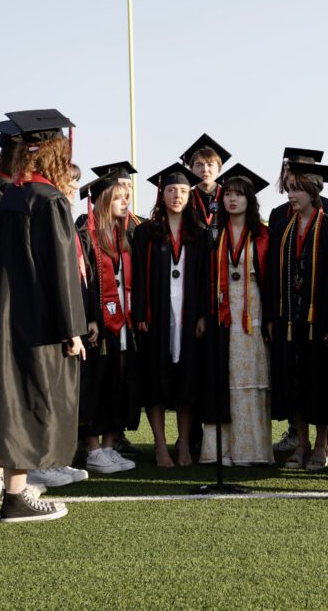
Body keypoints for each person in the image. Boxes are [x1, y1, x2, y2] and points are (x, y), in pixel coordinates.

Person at [0, 109, 85, 522]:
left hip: (7, 318)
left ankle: (16, 490)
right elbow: (61, 271)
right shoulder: (49, 201)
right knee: (33, 403)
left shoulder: (8, 198)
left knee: (16, 404)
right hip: (39, 323)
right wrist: (73, 329)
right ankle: (15, 498)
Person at [265, 161, 328, 471]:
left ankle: (322, 444)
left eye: (297, 189)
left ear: (313, 192)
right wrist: (272, 316)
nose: (291, 194)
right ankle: (301, 443)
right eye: (289, 188)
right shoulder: (282, 229)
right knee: (294, 381)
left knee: (320, 382)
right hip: (289, 320)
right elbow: (272, 277)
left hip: (319, 322)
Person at [133, 163, 209, 468]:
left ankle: (183, 443)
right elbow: (138, 275)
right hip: (157, 317)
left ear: (190, 196)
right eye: (171, 190)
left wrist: (202, 314)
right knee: (156, 381)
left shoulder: (199, 234)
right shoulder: (145, 232)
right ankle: (161, 446)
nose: (177, 196)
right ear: (161, 195)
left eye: (183, 191)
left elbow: (204, 278)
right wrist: (141, 312)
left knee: (186, 382)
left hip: (188, 318)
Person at [199, 164, 275, 466]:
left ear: (250, 200)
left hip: (251, 310)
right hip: (221, 310)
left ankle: (251, 450)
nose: (232, 199)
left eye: (239, 195)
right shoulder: (213, 234)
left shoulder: (263, 234)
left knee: (250, 377)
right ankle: (222, 451)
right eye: (228, 194)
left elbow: (271, 280)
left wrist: (270, 318)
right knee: (223, 376)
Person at [78, 171, 138, 473]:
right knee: (96, 385)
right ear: (103, 202)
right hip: (98, 325)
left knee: (118, 383)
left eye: (126, 198)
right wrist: (90, 316)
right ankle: (92, 449)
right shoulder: (86, 236)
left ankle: (108, 446)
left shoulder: (124, 236)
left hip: (123, 323)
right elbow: (83, 282)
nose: (125, 203)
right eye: (118, 198)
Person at [181, 134, 231, 231]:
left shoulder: (229, 198)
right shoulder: (185, 200)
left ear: (219, 168)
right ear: (191, 169)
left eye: (210, 165)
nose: (205, 170)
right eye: (199, 165)